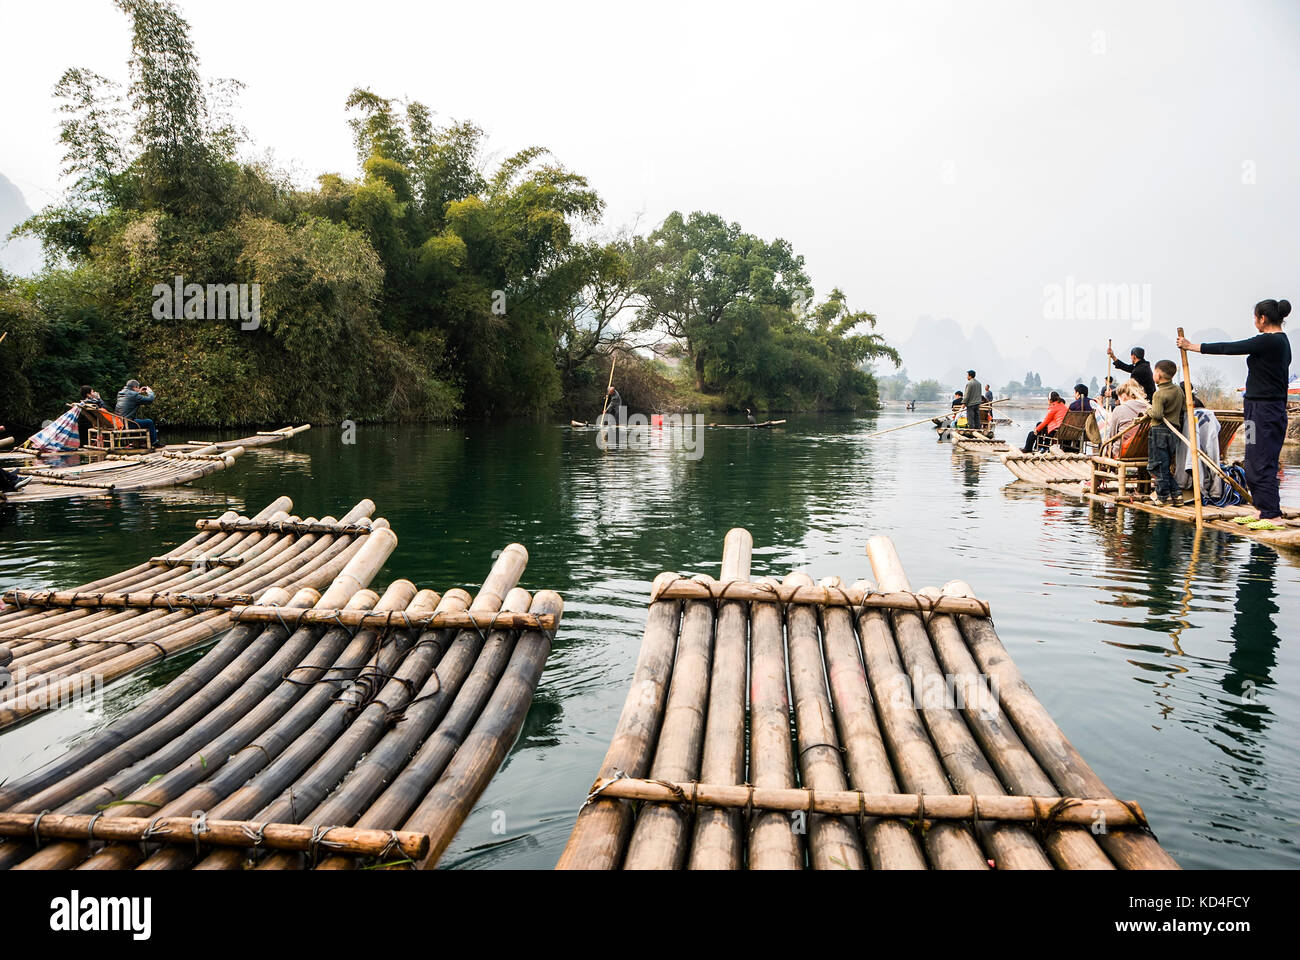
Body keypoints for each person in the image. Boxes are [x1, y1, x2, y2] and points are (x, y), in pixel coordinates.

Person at [1177, 298, 1292, 528]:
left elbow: (1229, 348)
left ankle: (1273, 514)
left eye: (1255, 317)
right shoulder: (1273, 342)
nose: (1254, 322)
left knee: (1262, 463)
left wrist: (1193, 347)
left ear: (1263, 318)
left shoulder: (1272, 341)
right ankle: (1262, 509)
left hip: (1266, 411)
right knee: (1251, 461)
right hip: (1254, 410)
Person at [1144, 359, 1184, 506]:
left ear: (1159, 375)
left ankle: (1161, 496)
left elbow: (1157, 414)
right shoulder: (1178, 390)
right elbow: (1183, 410)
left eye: (1154, 372)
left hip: (1159, 430)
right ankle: (1177, 495)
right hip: (1174, 431)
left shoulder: (1159, 394)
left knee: (1157, 464)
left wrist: (1149, 411)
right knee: (1164, 464)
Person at [1105, 379, 1150, 457]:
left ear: (1123, 396)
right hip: (1145, 451)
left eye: (1119, 399)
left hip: (1122, 452)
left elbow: (1112, 436)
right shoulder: (1149, 409)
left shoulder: (1119, 409)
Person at [115, 379, 160, 446]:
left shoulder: (121, 393)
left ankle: (141, 442)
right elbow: (150, 400)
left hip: (120, 422)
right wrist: (150, 392)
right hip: (127, 424)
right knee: (149, 422)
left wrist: (138, 392)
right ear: (134, 387)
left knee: (140, 421)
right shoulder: (134, 395)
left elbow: (130, 397)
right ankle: (153, 443)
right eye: (138, 388)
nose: (138, 389)